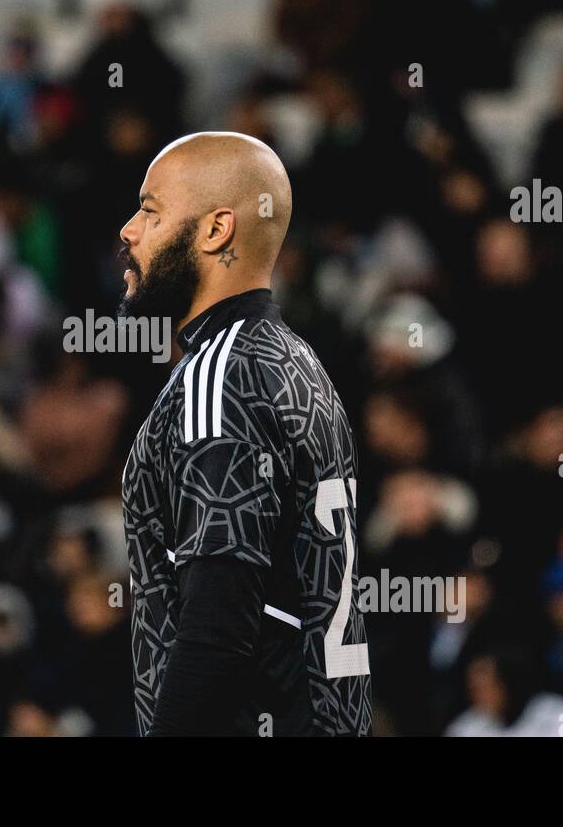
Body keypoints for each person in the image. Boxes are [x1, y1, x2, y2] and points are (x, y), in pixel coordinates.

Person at [117, 132, 372, 736]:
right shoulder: (295, 363)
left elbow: (218, 630)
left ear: (215, 231)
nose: (128, 230)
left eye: (150, 210)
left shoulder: (221, 376)